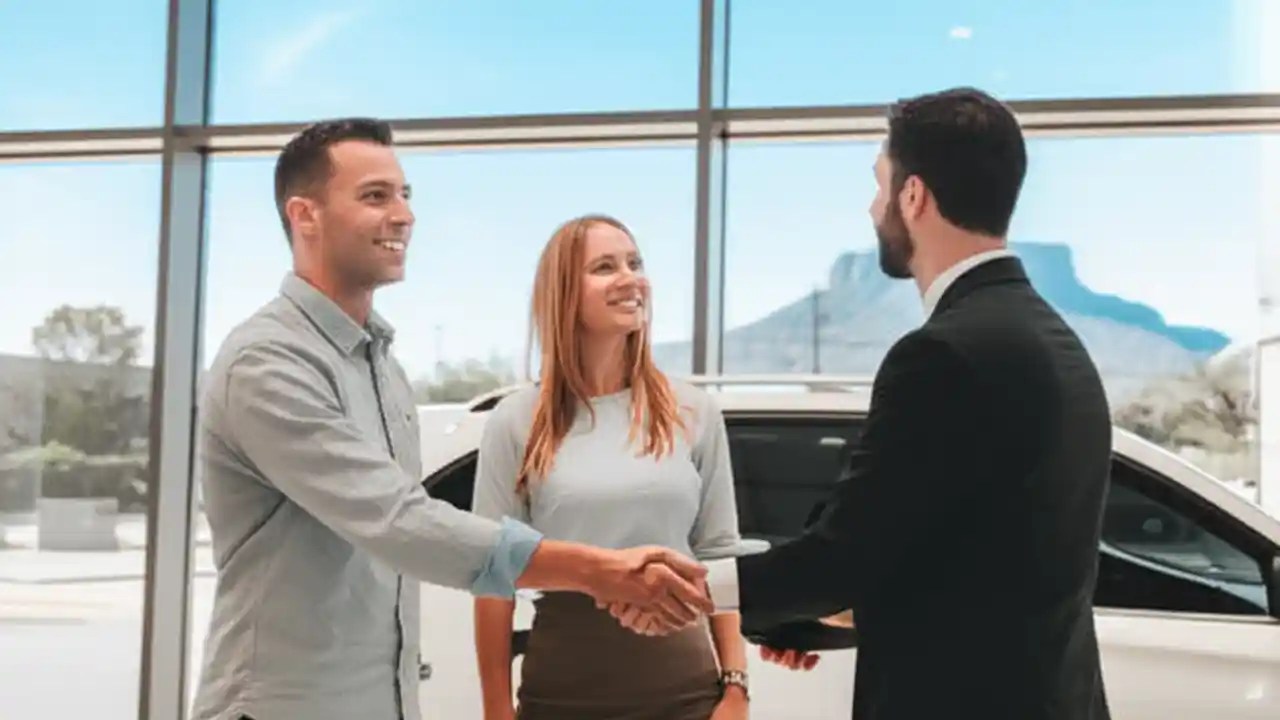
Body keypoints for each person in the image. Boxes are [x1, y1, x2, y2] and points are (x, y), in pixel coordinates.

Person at [611, 87, 1114, 719]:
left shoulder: (942, 356)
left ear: (914, 196)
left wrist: (685, 587)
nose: (874, 206)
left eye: (880, 185)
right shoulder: (1056, 344)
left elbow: (846, 556)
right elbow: (975, 568)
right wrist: (804, 621)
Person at [190, 119, 712, 720]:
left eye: (405, 195)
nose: (404, 215)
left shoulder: (384, 370)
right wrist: (602, 570)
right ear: (305, 215)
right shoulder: (268, 362)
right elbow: (397, 520)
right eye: (375, 196)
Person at [470, 214, 751, 720]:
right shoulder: (516, 421)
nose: (630, 278)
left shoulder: (693, 411)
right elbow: (494, 577)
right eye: (605, 267)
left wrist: (735, 690)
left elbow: (719, 555)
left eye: (634, 263)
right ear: (563, 293)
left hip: (686, 691)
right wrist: (495, 709)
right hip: (561, 694)